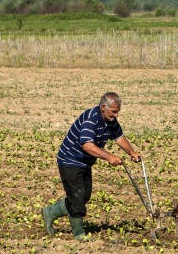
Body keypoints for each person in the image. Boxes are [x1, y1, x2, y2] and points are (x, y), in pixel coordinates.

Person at [41, 92, 141, 240]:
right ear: (103, 108)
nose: (116, 115)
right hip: (70, 160)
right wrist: (109, 157)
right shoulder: (91, 119)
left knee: (84, 196)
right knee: (77, 197)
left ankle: (50, 212)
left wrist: (132, 152)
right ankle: (79, 234)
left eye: (117, 111)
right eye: (113, 111)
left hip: (84, 162)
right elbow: (87, 145)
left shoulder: (110, 120)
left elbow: (118, 137)